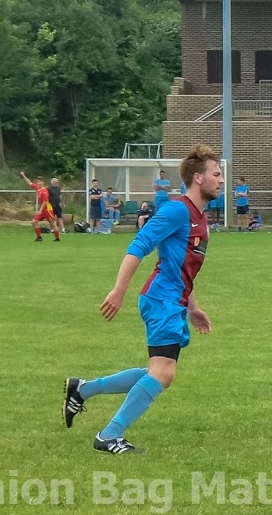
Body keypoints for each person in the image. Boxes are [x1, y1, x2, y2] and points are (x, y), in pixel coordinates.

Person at [62, 144, 222, 455]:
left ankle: (83, 389)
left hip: (172, 301)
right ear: (199, 178)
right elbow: (140, 244)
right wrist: (119, 289)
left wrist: (193, 306)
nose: (221, 179)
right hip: (161, 300)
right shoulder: (177, 210)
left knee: (159, 372)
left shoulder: (200, 219)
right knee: (163, 372)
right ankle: (109, 435)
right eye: (216, 174)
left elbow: (179, 267)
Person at [20, 170, 61, 242]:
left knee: (53, 223)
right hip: (42, 210)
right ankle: (39, 237)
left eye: (40, 182)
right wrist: (23, 175)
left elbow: (45, 202)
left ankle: (57, 238)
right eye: (37, 182)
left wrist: (40, 210)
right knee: (34, 222)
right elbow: (29, 183)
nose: (38, 183)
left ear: (43, 182)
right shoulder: (37, 188)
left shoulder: (44, 191)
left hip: (47, 209)